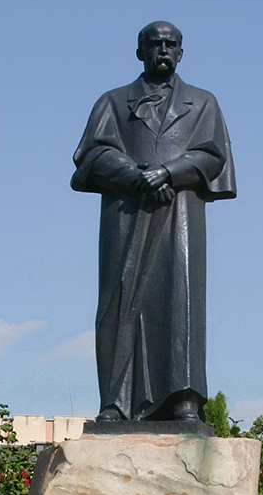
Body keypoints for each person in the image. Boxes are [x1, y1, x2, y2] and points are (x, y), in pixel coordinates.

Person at [72, 22, 236, 423]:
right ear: (139, 52)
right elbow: (91, 155)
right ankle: (115, 401)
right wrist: (135, 176)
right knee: (119, 300)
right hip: (126, 215)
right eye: (154, 44)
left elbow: (212, 156)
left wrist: (168, 173)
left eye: (171, 44)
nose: (163, 50)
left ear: (181, 53)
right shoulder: (112, 102)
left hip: (180, 212)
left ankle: (184, 397)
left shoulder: (203, 103)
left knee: (180, 300)